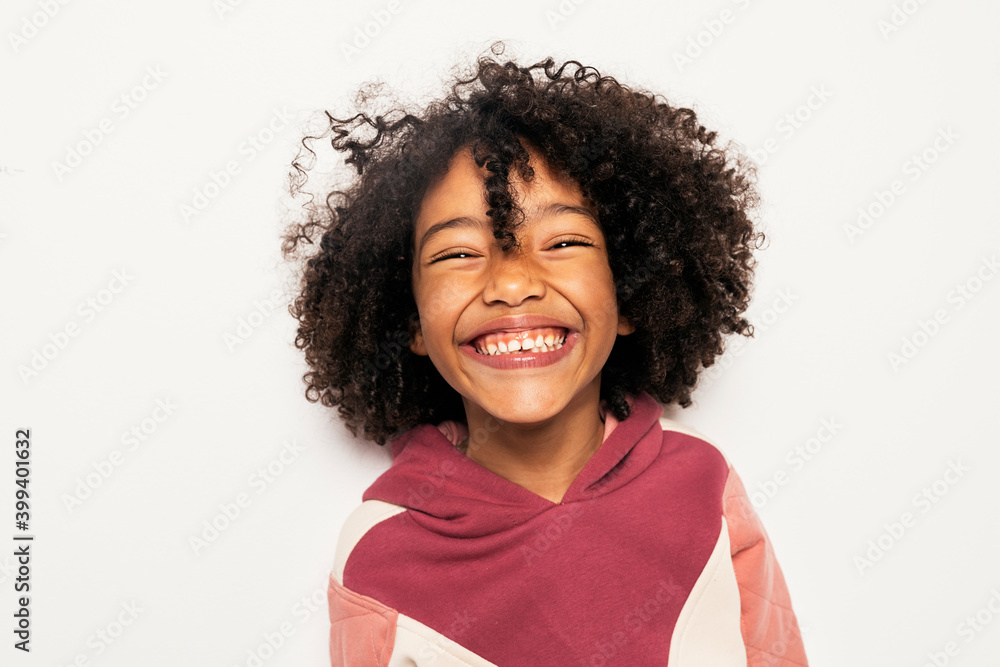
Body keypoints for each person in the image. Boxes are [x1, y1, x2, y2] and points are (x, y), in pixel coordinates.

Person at [282, 41, 809, 666]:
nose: (512, 284)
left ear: (634, 291)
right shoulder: (377, 556)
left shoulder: (705, 486)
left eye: (561, 241)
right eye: (456, 253)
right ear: (411, 321)